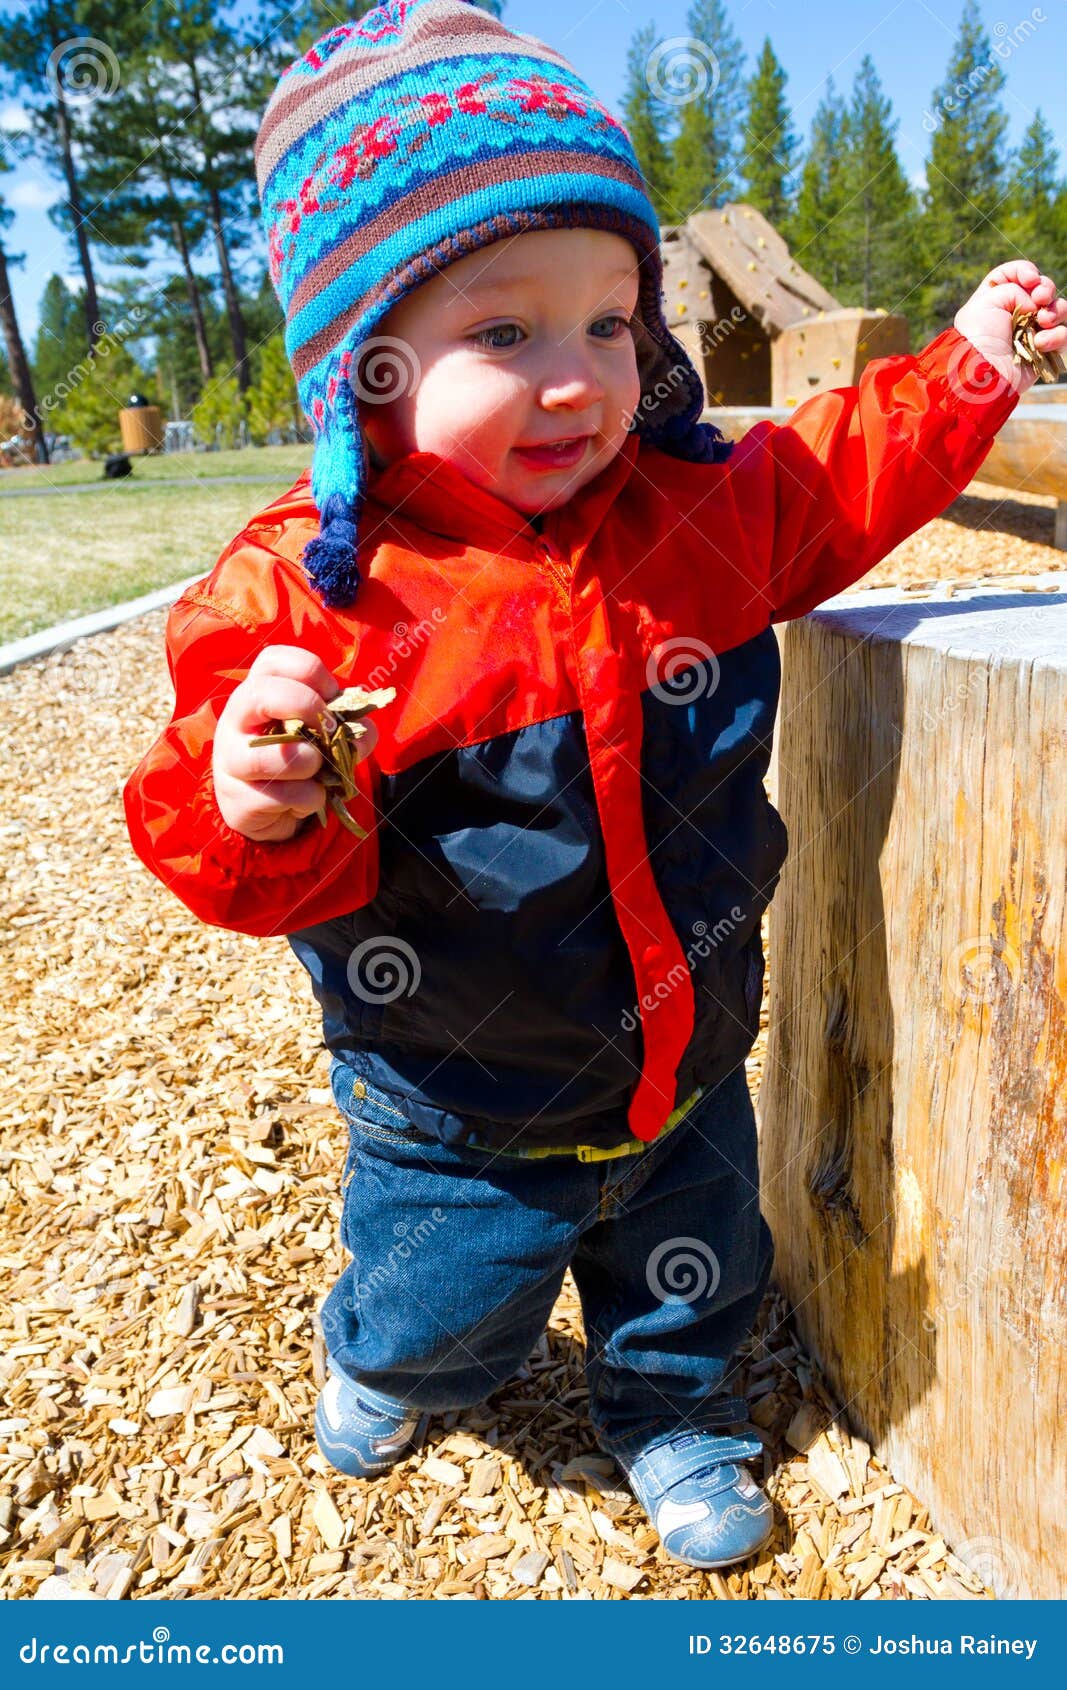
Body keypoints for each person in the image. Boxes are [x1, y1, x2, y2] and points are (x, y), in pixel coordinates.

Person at [123, 0, 1066, 1573]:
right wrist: (253, 790)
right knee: (447, 1299)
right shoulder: (316, 597)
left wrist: (968, 372)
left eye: (611, 324)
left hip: (688, 1050)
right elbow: (230, 849)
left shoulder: (690, 514)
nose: (576, 379)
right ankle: (387, 1358)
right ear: (364, 363)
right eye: (506, 333)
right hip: (454, 1099)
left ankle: (677, 1415)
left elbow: (838, 473)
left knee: (689, 1266)